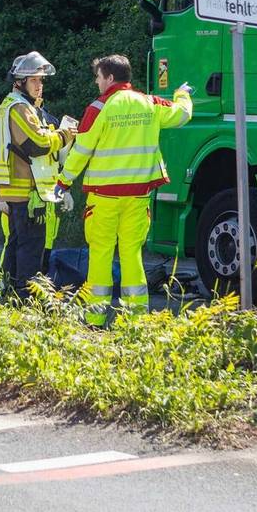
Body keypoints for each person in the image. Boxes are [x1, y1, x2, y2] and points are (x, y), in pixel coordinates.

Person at [55, 54, 191, 327]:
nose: (96, 82)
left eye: (98, 77)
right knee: (132, 255)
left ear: (110, 78)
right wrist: (182, 94)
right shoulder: (149, 103)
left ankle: (95, 319)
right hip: (138, 197)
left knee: (101, 254)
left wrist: (63, 182)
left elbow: (81, 151)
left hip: (104, 198)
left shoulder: (98, 108)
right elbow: (182, 115)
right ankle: (136, 320)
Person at [0, 51, 75, 290]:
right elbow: (38, 145)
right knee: (30, 250)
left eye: (41, 80)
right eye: (34, 80)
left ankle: (11, 295)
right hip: (27, 194)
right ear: (20, 82)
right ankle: (27, 298)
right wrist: (65, 135)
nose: (40, 85)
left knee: (17, 246)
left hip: (20, 193)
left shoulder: (18, 106)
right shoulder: (20, 108)